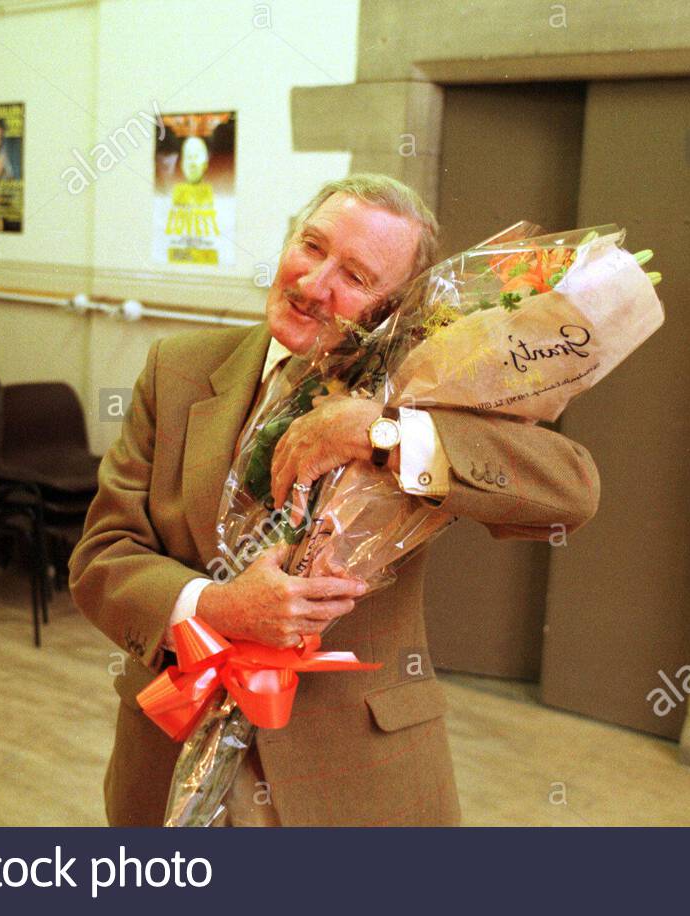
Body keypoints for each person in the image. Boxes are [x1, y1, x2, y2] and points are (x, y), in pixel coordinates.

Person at [69, 173, 601, 826]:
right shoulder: (175, 369)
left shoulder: (425, 397)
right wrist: (219, 607)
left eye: (354, 275)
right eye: (312, 246)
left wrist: (380, 434)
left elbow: (569, 492)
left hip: (356, 777)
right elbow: (102, 557)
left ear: (392, 308)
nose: (314, 284)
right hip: (170, 747)